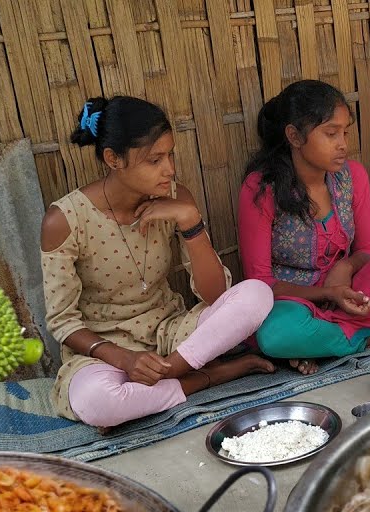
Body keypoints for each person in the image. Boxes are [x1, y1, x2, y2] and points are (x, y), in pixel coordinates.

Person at [40, 95, 275, 428]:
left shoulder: (176, 198)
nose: (170, 169)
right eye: (154, 160)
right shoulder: (64, 220)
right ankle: (207, 377)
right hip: (106, 351)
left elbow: (215, 295)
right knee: (97, 402)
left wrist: (190, 221)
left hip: (171, 335)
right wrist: (124, 359)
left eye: (170, 155)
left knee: (257, 295)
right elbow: (62, 321)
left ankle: (167, 375)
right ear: (113, 159)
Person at [238, 80, 370, 373]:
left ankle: (324, 340)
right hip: (293, 302)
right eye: (331, 133)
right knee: (275, 335)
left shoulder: (353, 177)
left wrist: (346, 267)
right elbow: (260, 284)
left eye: (345, 132)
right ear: (295, 136)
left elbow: (369, 251)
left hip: (352, 291)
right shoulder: (261, 189)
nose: (343, 144)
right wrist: (328, 294)